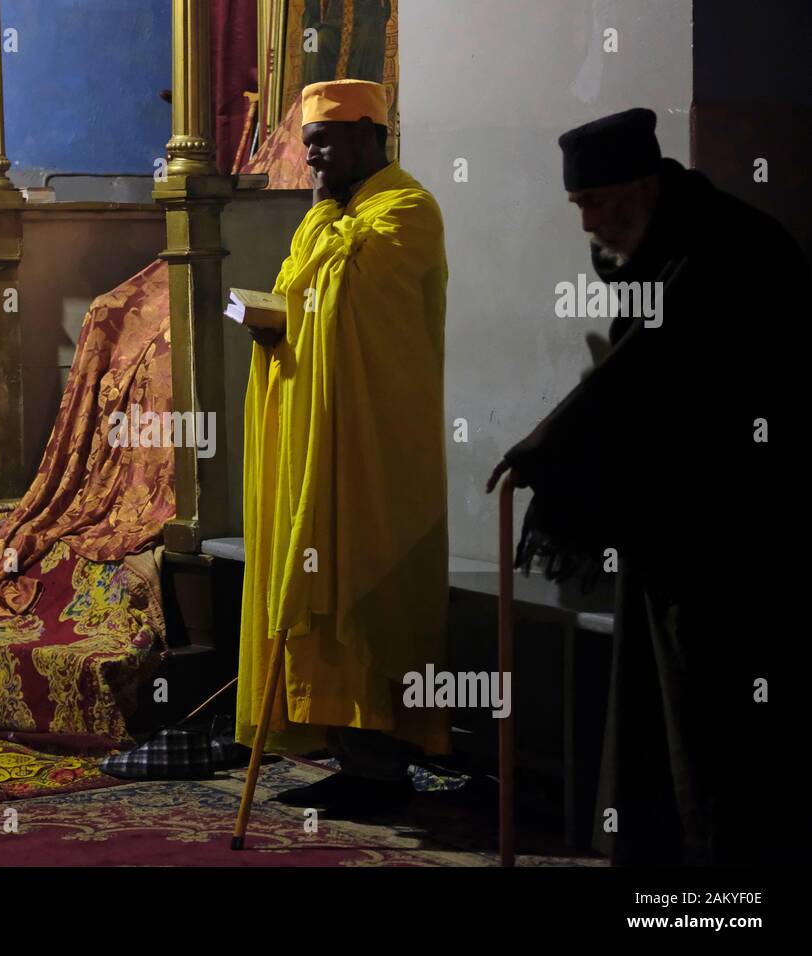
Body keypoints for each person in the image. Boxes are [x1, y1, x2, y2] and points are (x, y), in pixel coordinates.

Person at [486, 108, 801, 864]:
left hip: (740, 518)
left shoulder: (722, 248)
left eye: (594, 202)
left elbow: (645, 370)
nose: (587, 222)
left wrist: (547, 448)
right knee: (658, 711)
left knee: (715, 713)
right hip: (670, 515)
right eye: (579, 206)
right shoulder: (648, 247)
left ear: (637, 186)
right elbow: (631, 377)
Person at [237, 79, 451, 816]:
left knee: (371, 589)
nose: (311, 153)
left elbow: (358, 300)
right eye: (308, 139)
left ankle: (384, 765)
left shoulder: (406, 211)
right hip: (311, 434)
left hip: (375, 444)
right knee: (314, 588)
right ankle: (348, 757)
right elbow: (304, 306)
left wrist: (317, 267)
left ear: (371, 136)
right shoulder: (325, 220)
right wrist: (270, 322)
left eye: (325, 140)